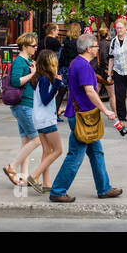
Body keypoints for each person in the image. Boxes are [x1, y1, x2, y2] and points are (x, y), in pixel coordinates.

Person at [49, 32, 122, 203]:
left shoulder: (77, 63)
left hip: (81, 115)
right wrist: (106, 110)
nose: (98, 49)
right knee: (75, 155)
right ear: (89, 48)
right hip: (83, 117)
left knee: (96, 152)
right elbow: (90, 91)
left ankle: (104, 188)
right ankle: (58, 190)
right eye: (96, 46)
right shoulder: (84, 66)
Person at [25, 47, 65, 194]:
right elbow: (46, 99)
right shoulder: (44, 79)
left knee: (47, 151)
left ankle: (47, 183)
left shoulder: (39, 78)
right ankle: (34, 176)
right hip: (46, 120)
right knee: (58, 150)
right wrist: (56, 86)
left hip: (39, 119)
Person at [4, 32, 40, 185]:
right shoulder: (19, 61)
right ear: (24, 47)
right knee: (37, 139)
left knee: (26, 142)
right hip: (23, 104)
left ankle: (23, 176)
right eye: (33, 46)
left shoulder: (26, 61)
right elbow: (15, 81)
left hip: (24, 104)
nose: (36, 48)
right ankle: (12, 167)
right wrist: (32, 74)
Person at [57, 22, 81, 118]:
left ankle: (55, 112)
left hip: (64, 68)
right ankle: (72, 112)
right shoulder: (78, 43)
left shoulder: (65, 42)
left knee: (61, 92)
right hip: (74, 68)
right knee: (73, 92)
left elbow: (62, 56)